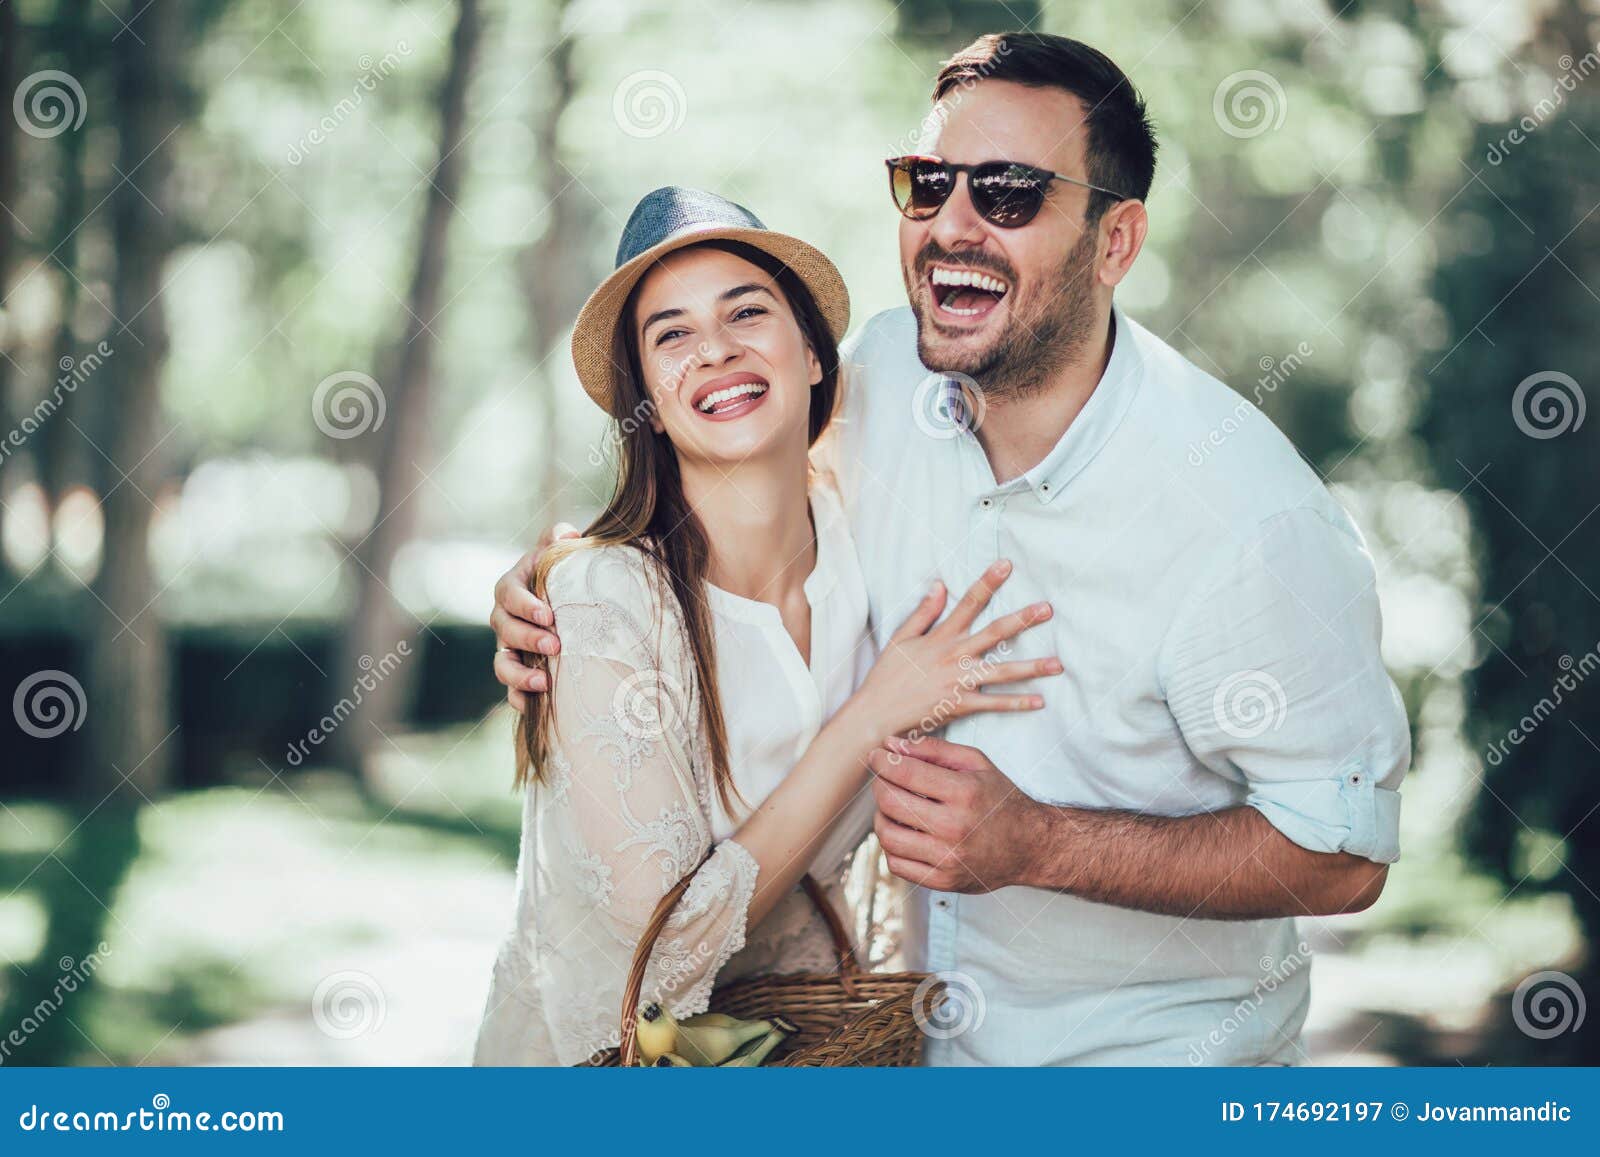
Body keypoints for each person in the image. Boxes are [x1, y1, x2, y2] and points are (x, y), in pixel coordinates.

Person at [491, 33, 1412, 1066]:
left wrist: (1042, 843)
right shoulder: (882, 378)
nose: (951, 227)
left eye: (1009, 192)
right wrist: (557, 573)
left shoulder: (1249, 520)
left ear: (1115, 241)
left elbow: (1341, 854)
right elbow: (722, 453)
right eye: (927, 185)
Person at [472, 186, 1060, 1065]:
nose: (714, 349)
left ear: (816, 358)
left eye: (747, 311)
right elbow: (657, 969)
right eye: (671, 334)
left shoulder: (864, 541)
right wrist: (874, 714)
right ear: (648, 399)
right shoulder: (604, 605)